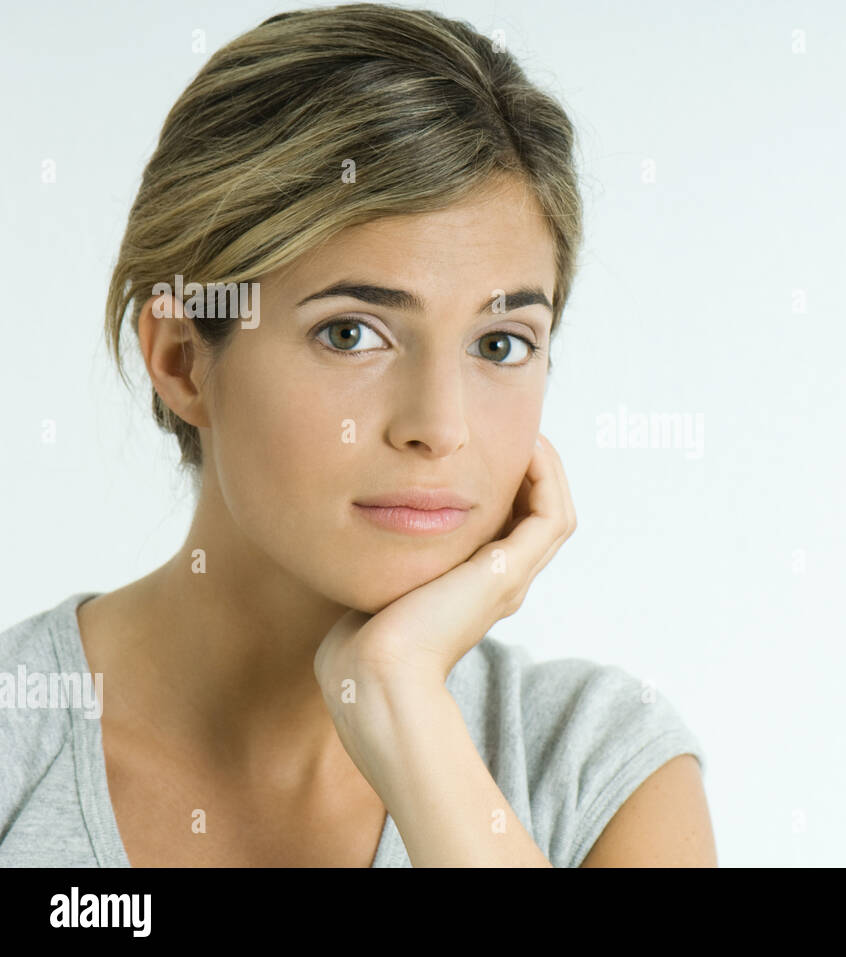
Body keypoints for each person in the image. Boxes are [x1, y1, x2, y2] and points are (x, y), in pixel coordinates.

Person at [0, 2, 714, 867]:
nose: (439, 428)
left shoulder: (601, 768)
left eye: (500, 343)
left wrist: (402, 700)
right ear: (185, 357)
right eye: (351, 333)